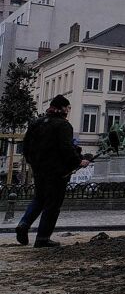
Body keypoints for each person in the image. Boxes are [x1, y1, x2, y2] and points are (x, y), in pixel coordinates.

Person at [16, 95, 89, 247]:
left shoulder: (37, 123)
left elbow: (26, 146)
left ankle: (23, 224)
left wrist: (33, 163)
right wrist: (78, 161)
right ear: (62, 108)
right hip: (57, 172)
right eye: (68, 108)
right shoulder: (63, 125)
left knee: (39, 199)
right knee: (52, 204)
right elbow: (66, 148)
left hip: (39, 169)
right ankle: (42, 238)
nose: (68, 111)